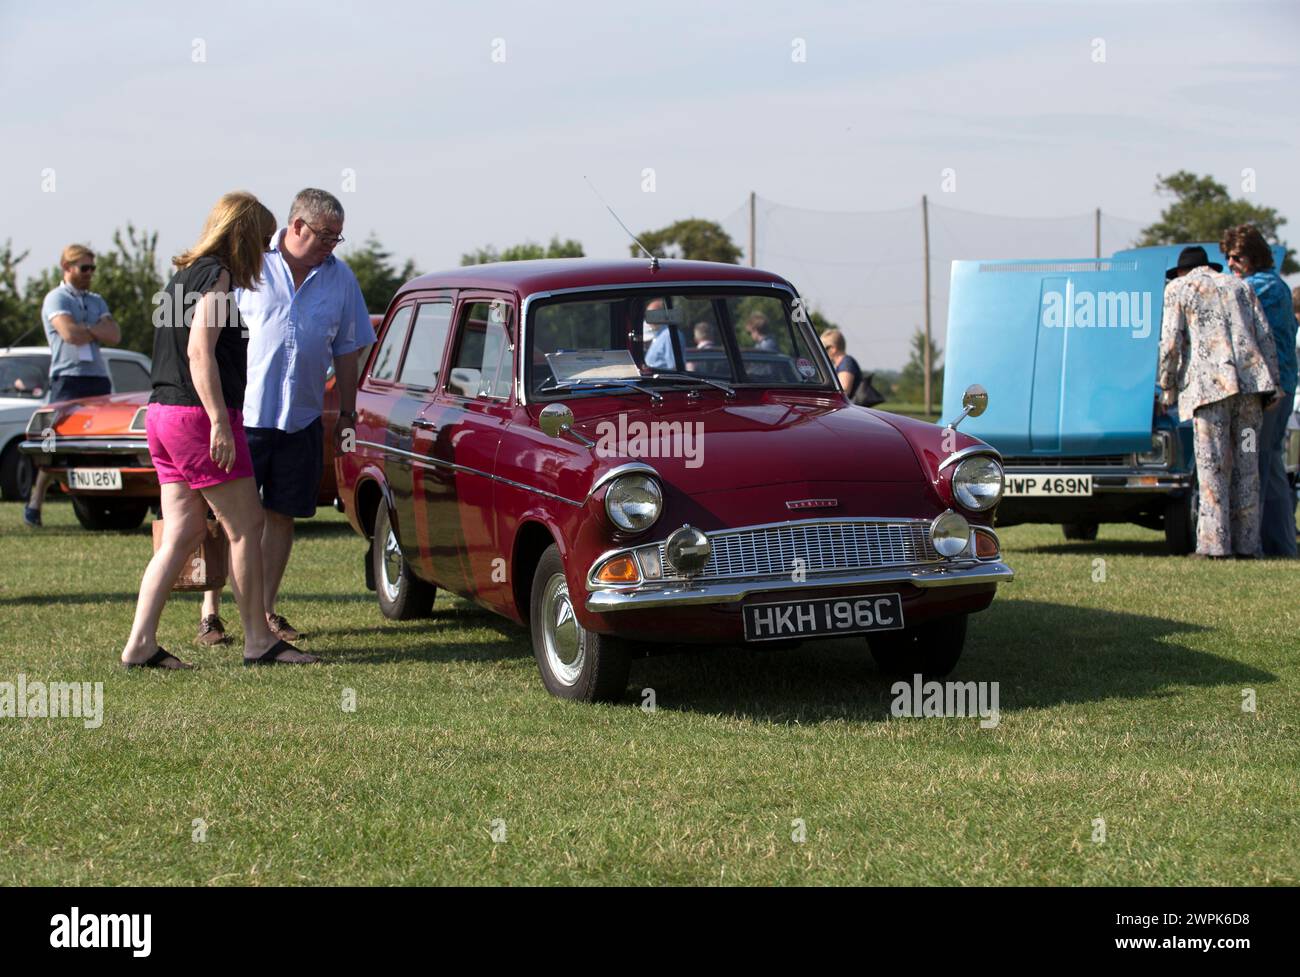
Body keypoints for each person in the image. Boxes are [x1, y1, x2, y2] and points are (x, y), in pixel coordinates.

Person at [122, 191, 316, 668]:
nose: (267, 250)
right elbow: (199, 352)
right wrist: (218, 423)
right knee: (247, 527)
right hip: (196, 417)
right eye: (263, 238)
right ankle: (259, 642)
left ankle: (140, 645)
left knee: (183, 532)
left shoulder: (181, 277)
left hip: (162, 414)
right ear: (243, 235)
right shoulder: (219, 276)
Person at [196, 189, 374, 645]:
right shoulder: (248, 264)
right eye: (325, 235)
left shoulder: (341, 279)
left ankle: (265, 610)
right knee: (225, 516)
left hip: (302, 418)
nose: (331, 245)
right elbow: (206, 342)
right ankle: (210, 612)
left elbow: (348, 351)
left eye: (337, 238)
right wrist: (213, 414)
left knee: (282, 515)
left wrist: (348, 413)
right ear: (296, 226)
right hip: (242, 416)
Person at [1157, 246, 1281, 559]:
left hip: (1209, 391)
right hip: (1251, 392)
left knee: (1212, 465)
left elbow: (1170, 343)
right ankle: (1248, 545)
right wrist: (1274, 387)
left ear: (1181, 271)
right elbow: (1265, 336)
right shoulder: (1241, 286)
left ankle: (1214, 546)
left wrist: (1167, 386)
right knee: (1247, 463)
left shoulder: (1179, 288)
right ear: (1210, 266)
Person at [24, 245, 120, 528]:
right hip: (67, 378)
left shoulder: (96, 300)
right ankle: (36, 501)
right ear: (67, 267)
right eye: (84, 268)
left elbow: (114, 335)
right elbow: (68, 334)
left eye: (93, 268)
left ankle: (97, 503)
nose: (90, 273)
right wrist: (94, 329)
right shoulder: (56, 298)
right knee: (53, 442)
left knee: (98, 443)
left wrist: (85, 330)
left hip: (97, 378)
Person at [1221, 224, 1297, 557]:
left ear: (1253, 255)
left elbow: (1228, 303)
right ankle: (1281, 544)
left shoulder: (1258, 286)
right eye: (1228, 257)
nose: (1230, 264)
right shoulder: (1276, 284)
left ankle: (1255, 543)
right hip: (1282, 388)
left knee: (1257, 464)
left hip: (1270, 393)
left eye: (1236, 256)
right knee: (1272, 466)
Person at [821, 328, 861, 397]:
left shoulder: (846, 363)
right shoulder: (842, 364)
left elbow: (843, 392)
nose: (822, 352)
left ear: (833, 349)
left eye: (823, 348)